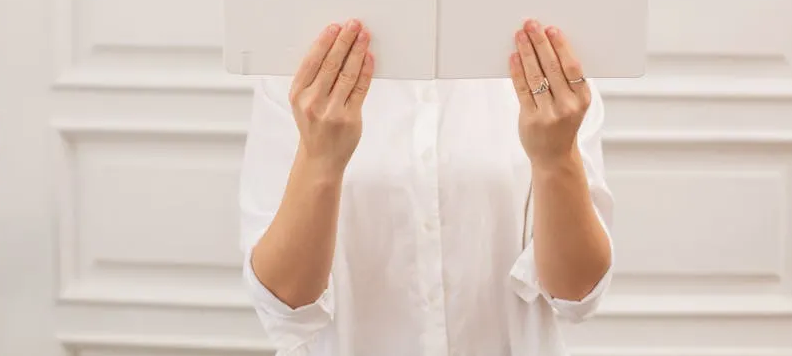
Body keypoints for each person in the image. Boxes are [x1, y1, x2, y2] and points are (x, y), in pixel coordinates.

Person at [239, 18, 614, 356]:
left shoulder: (552, 66)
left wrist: (556, 158)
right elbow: (283, 304)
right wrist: (319, 159)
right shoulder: (298, 69)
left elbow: (577, 296)